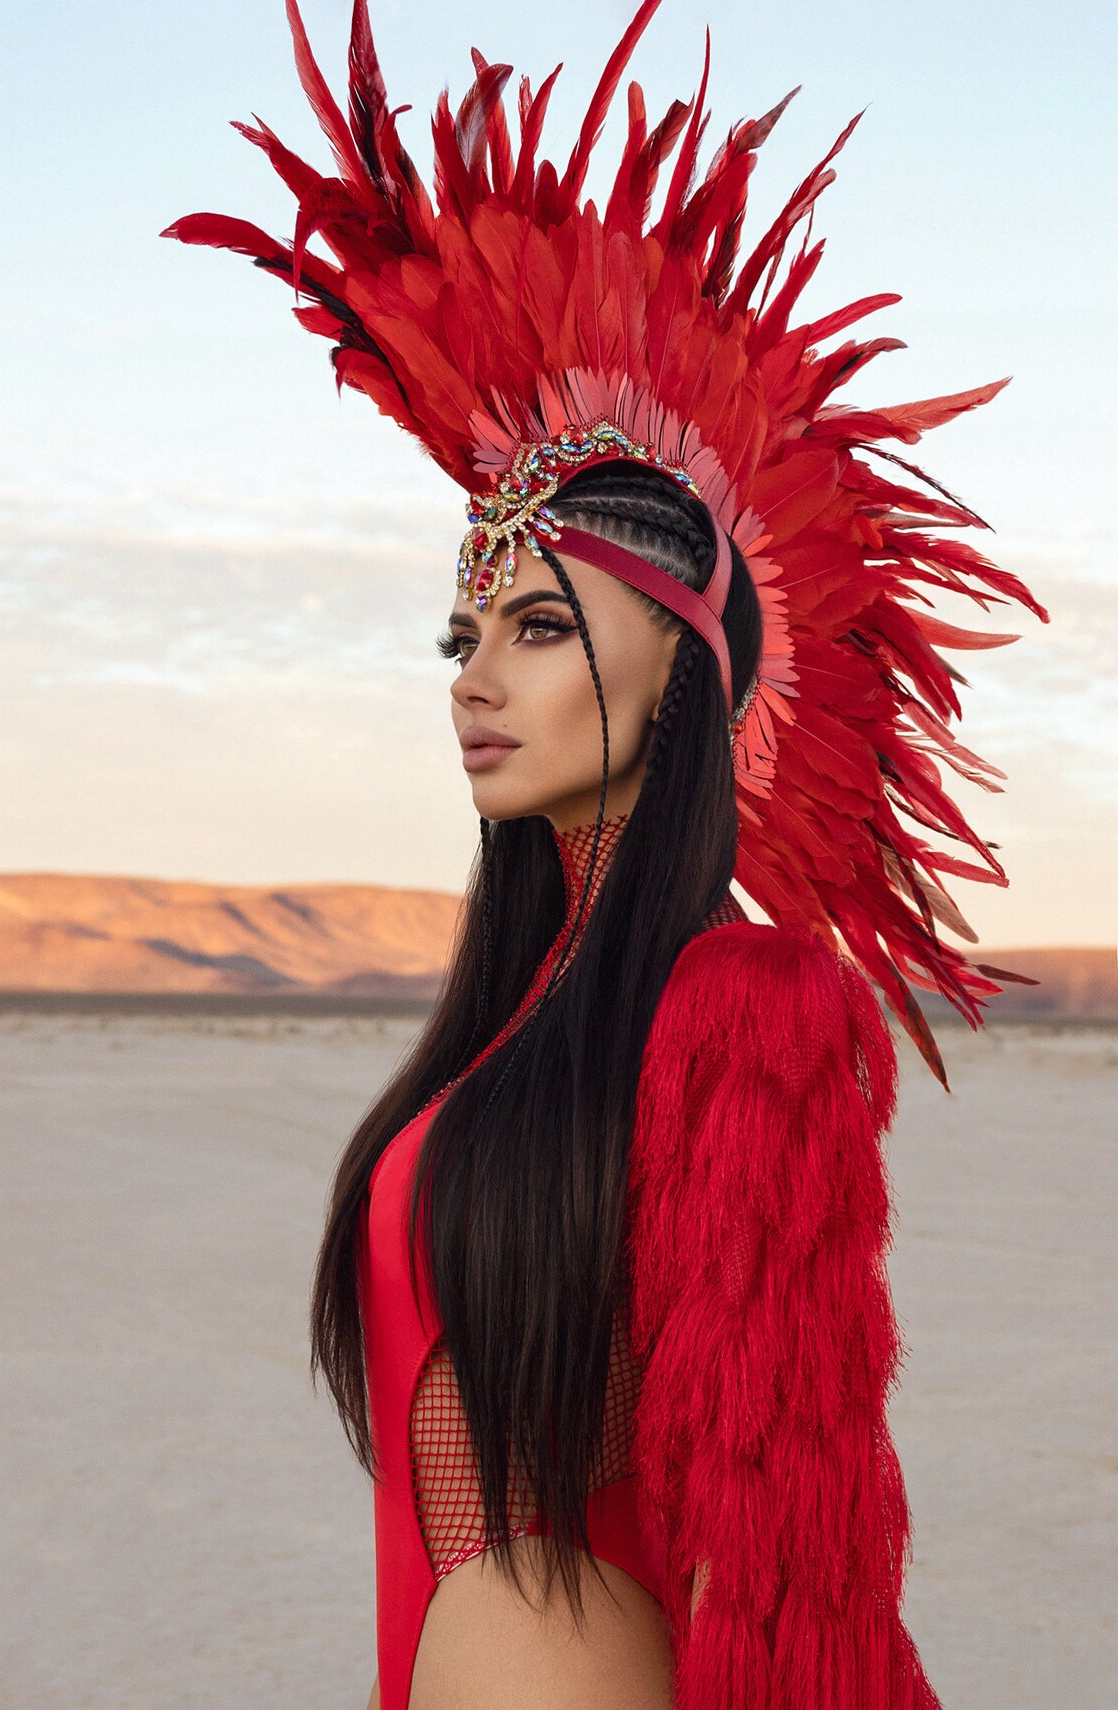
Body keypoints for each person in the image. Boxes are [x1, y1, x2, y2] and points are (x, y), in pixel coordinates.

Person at [164, 2, 1048, 1705]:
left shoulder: (745, 1007)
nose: (479, 678)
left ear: (684, 672)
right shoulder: (508, 1017)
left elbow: (795, 1564)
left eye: (544, 627)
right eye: (464, 634)